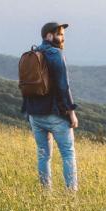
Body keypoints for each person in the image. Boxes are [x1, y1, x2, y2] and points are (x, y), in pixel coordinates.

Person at [21, 21, 79, 191]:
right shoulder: (56, 54)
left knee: (43, 156)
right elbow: (63, 86)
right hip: (55, 115)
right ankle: (71, 197)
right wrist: (71, 112)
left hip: (34, 115)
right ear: (49, 36)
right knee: (68, 154)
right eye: (59, 34)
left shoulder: (33, 53)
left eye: (62, 34)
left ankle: (45, 194)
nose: (62, 38)